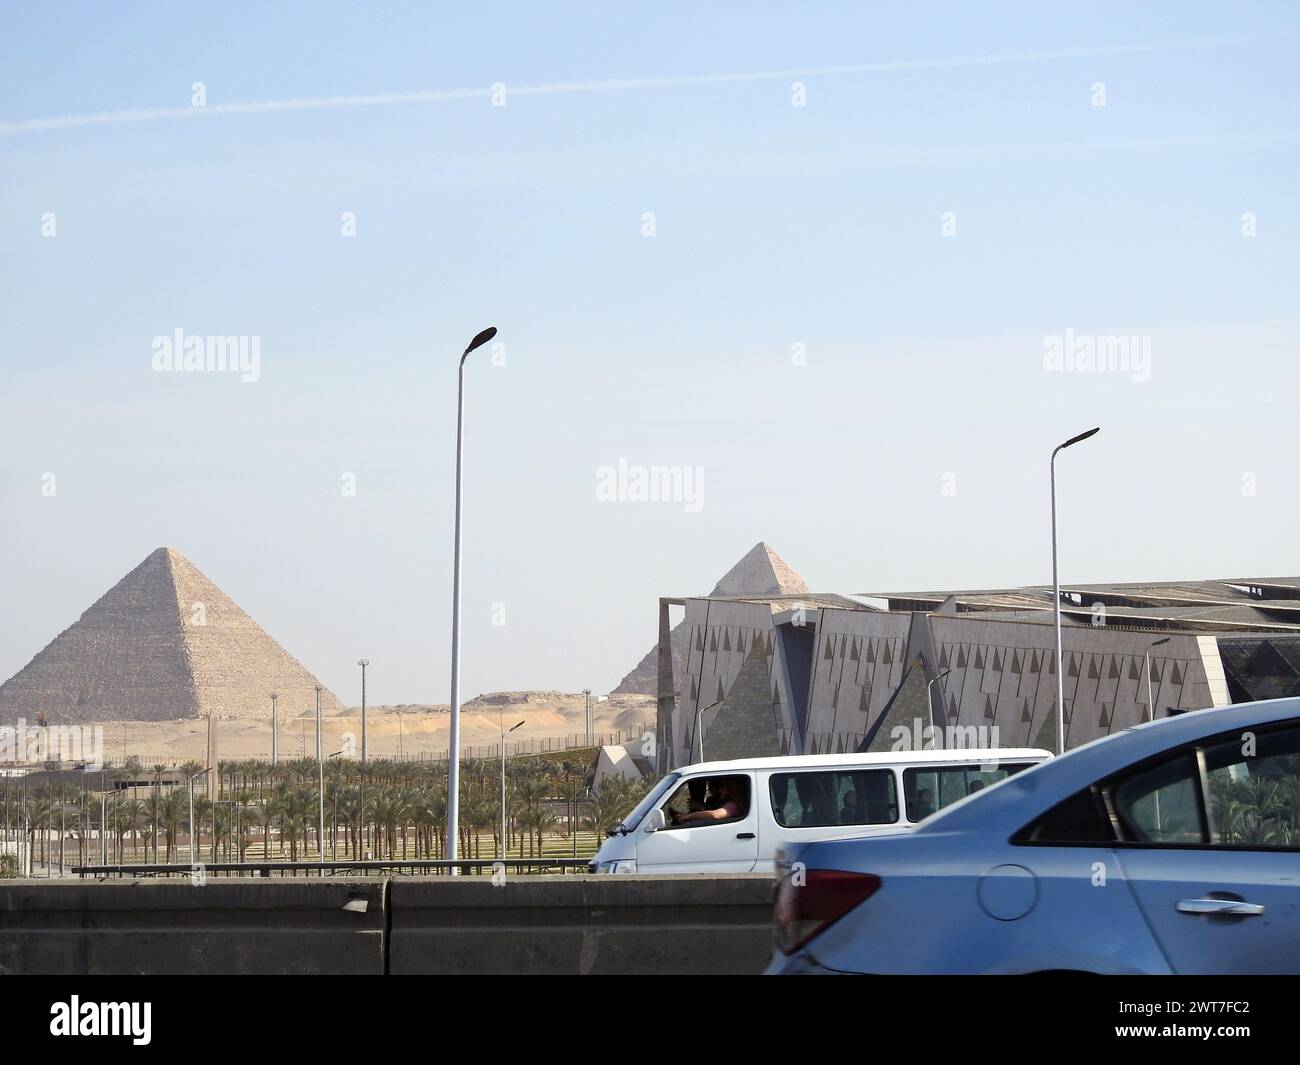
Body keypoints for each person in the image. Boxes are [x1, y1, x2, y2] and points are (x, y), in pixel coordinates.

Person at [674, 777, 743, 824]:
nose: (709, 788)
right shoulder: (713, 801)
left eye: (714, 785)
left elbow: (715, 815)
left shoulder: (733, 805)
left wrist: (689, 816)